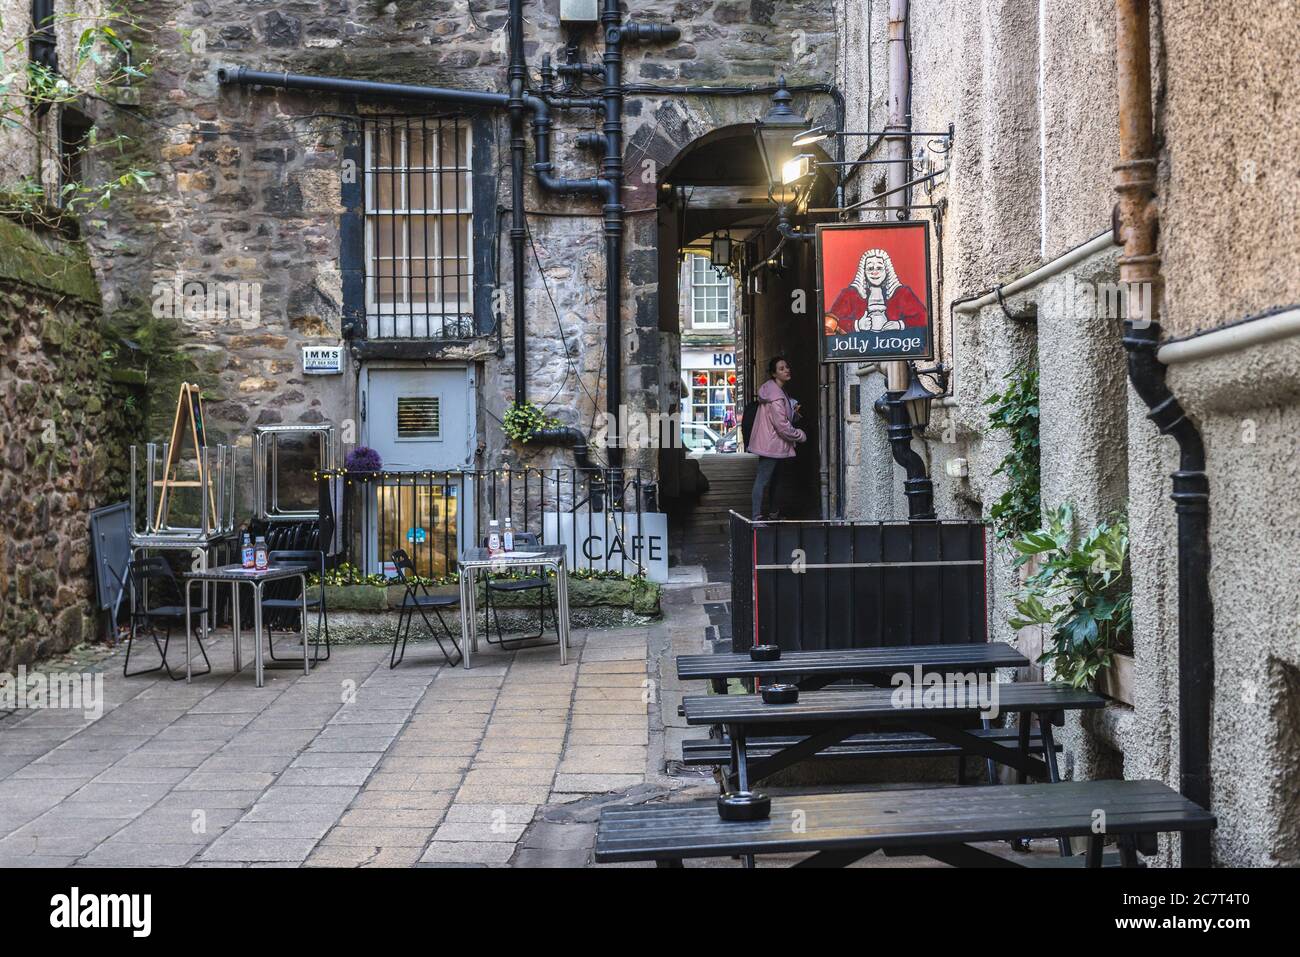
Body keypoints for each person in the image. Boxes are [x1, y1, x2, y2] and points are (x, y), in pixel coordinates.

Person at [749, 356, 806, 519]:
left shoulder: (776, 391)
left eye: (787, 367)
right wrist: (800, 435)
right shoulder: (776, 396)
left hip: (774, 443)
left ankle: (773, 513)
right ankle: (756, 516)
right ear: (774, 374)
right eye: (781, 369)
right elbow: (781, 425)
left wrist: (793, 411)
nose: (786, 370)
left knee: (775, 479)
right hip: (771, 444)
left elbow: (782, 417)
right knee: (763, 480)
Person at [824, 247, 927, 334]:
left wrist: (900, 324)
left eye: (879, 268)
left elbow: (924, 318)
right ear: (863, 272)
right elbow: (829, 323)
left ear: (886, 270)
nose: (875, 272)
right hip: (860, 348)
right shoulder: (850, 294)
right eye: (870, 268)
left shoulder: (902, 294)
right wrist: (857, 325)